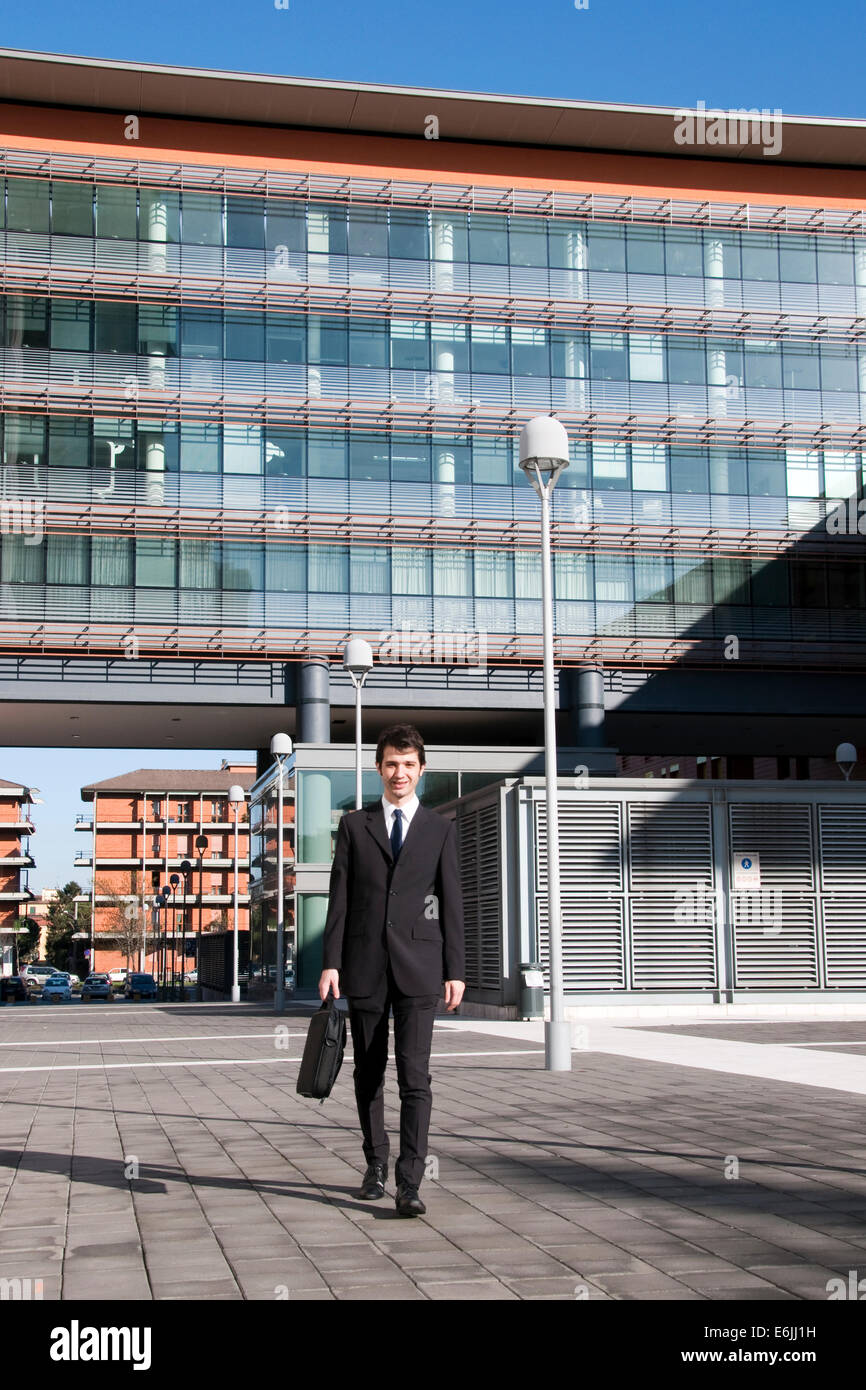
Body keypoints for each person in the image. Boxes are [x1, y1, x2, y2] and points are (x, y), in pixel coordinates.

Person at [319, 723, 465, 1217]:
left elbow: (452, 905)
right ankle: (375, 1165)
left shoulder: (440, 830)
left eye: (407, 765)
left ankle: (410, 1182)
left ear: (420, 770)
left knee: (416, 1078)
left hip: (421, 969)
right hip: (364, 968)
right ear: (379, 769)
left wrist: (456, 969)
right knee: (367, 1074)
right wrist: (331, 962)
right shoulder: (354, 826)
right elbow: (339, 901)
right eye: (390, 764)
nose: (399, 773)